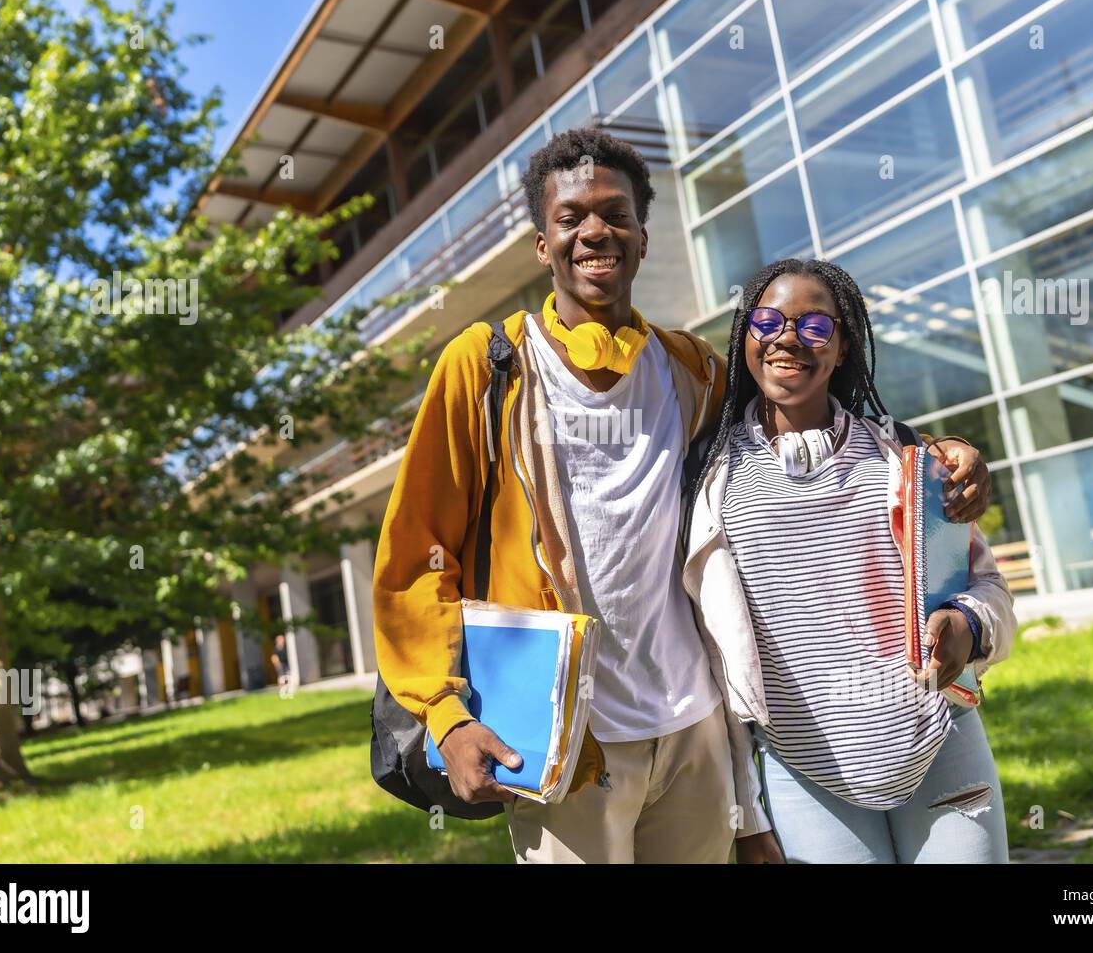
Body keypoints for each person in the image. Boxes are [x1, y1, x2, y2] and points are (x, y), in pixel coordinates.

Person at [372, 129, 994, 863]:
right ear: (542, 245)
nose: (595, 230)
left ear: (641, 238)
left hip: (696, 729)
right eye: (571, 217)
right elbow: (416, 558)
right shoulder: (486, 367)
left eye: (615, 214)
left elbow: (803, 421)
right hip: (569, 741)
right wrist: (446, 714)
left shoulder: (692, 370)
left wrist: (946, 457)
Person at [682, 257, 1016, 863]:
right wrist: (745, 812)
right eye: (767, 321)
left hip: (940, 745)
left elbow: (988, 586)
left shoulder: (905, 457)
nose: (787, 338)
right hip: (805, 774)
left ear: (841, 349)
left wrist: (967, 625)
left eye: (815, 327)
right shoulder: (708, 480)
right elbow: (708, 655)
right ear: (744, 336)